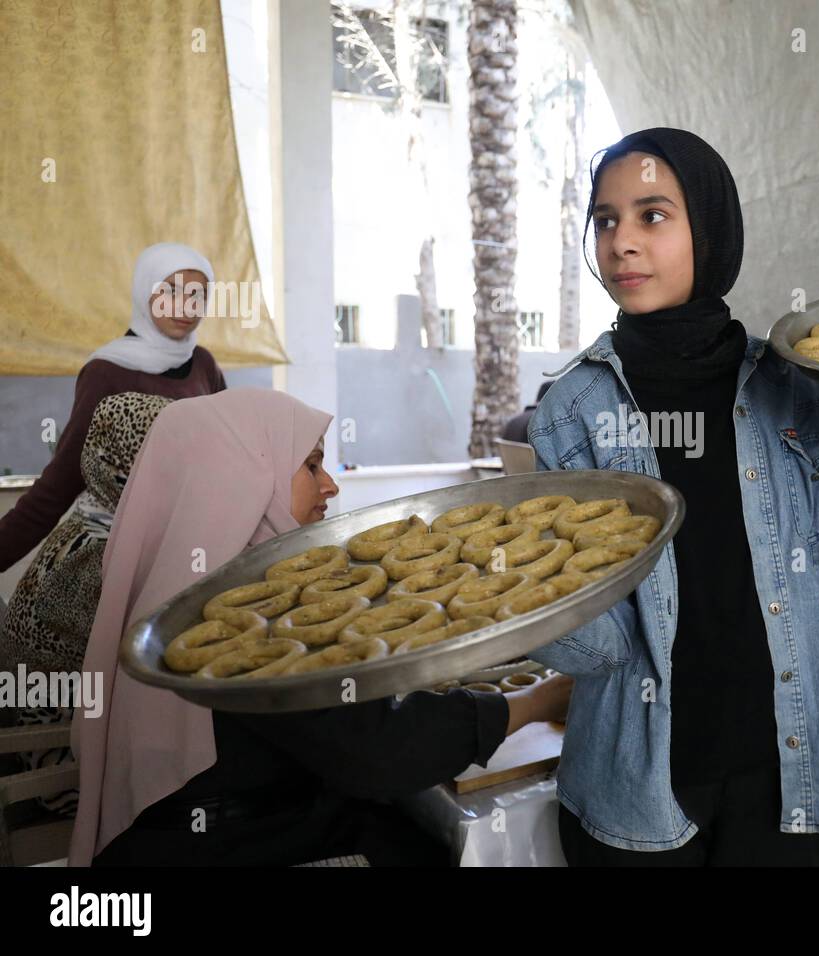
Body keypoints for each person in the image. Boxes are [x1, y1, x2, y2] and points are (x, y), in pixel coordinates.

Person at [526, 128, 819, 865]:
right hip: (636, 788)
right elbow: (603, 645)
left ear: (710, 231)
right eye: (606, 219)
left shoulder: (789, 386)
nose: (621, 242)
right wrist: (517, 599)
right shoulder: (572, 410)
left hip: (784, 780)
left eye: (652, 215)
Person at [69, 388, 571, 866]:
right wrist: (535, 703)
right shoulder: (241, 624)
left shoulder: (178, 585)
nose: (330, 484)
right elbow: (383, 753)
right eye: (311, 465)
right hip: (237, 849)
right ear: (243, 478)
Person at [0, 242, 227, 574]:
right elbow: (62, 480)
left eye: (197, 295)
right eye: (170, 291)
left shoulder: (203, 364)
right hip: (120, 557)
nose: (185, 306)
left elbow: (229, 454)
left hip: (188, 545)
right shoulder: (109, 371)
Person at [0, 392, 174, 817]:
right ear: (123, 469)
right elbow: (146, 664)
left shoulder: (100, 526)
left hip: (82, 737)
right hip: (59, 768)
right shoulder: (91, 555)